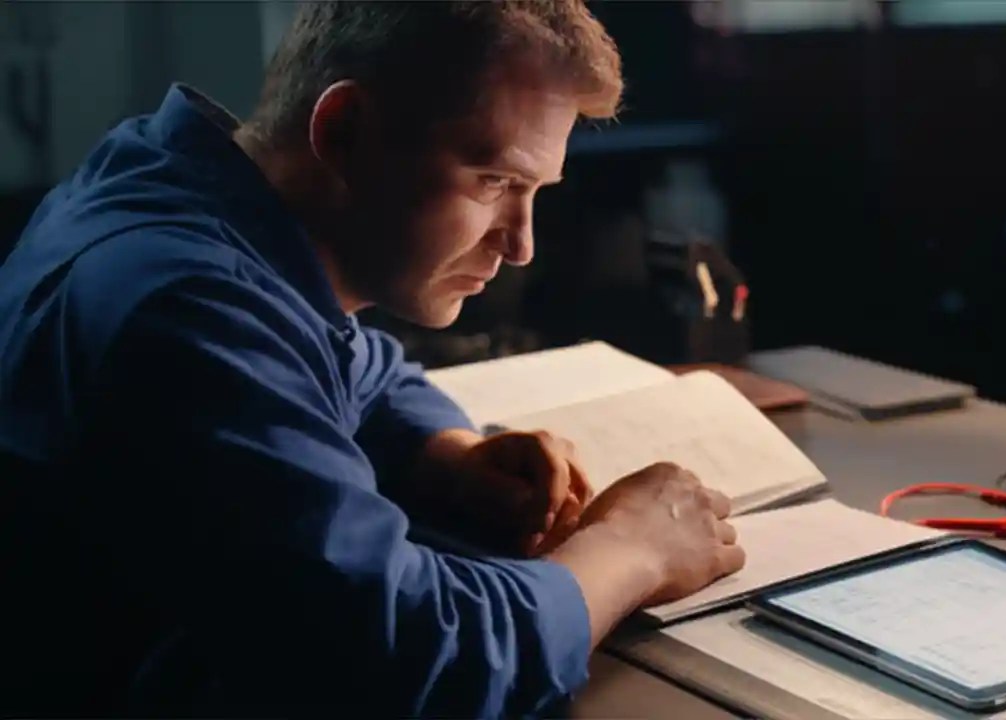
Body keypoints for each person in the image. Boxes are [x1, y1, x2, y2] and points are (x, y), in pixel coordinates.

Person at [0, 2, 746, 717]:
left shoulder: (172, 179)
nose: (521, 244)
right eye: (494, 182)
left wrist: (440, 450)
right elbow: (414, 662)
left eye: (534, 193)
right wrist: (630, 549)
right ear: (346, 128)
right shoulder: (185, 306)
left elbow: (360, 363)